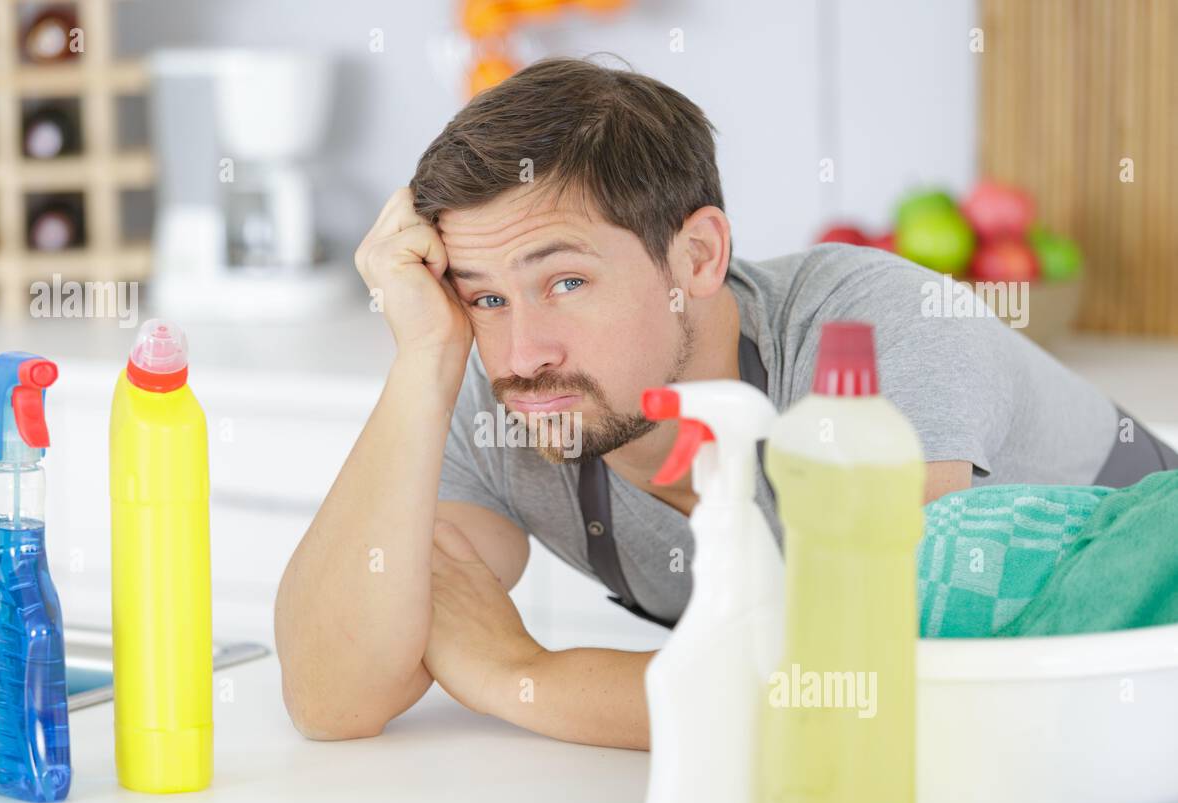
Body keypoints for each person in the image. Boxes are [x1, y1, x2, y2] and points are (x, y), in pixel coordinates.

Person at [274, 57, 1176, 751]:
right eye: (484, 295)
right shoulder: (510, 391)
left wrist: (524, 677)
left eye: (567, 281)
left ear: (698, 258)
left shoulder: (871, 331)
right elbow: (331, 695)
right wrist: (423, 362)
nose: (522, 353)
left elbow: (879, 684)